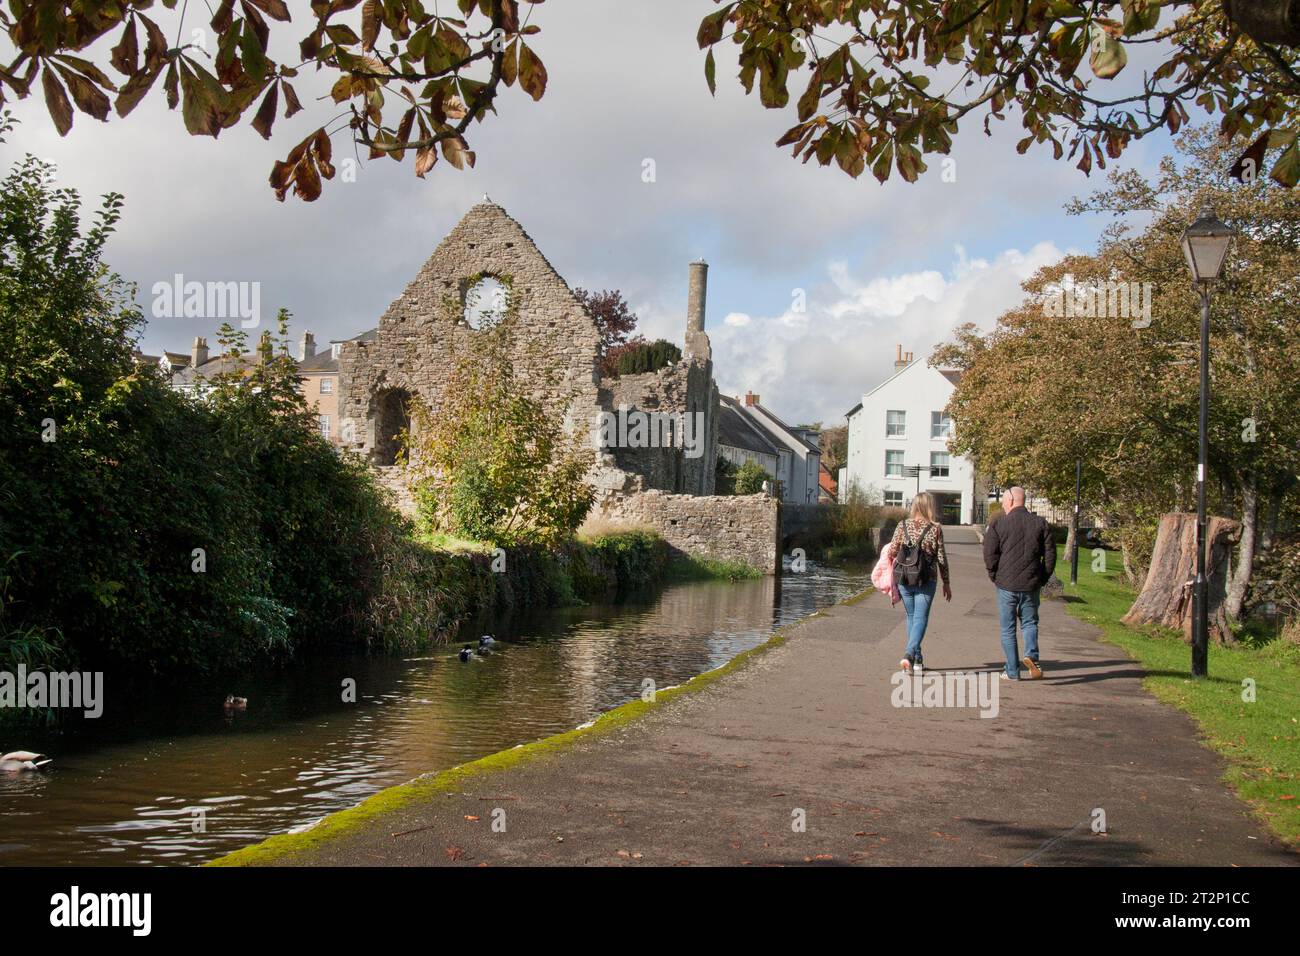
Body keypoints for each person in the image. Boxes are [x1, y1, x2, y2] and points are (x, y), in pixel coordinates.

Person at [982, 486, 1055, 680]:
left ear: (1012, 501)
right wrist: (1043, 577)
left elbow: (989, 554)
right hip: (1031, 583)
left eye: (1005, 501)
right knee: (1030, 622)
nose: (1004, 505)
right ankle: (1032, 655)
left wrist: (994, 575)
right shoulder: (1040, 523)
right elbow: (1050, 555)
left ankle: (1012, 671)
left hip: (1006, 583)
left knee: (1008, 629)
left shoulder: (999, 524)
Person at [890, 491, 951, 674]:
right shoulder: (935, 528)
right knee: (920, 618)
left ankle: (917, 659)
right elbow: (941, 557)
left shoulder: (902, 525)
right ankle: (909, 654)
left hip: (904, 577)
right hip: (926, 578)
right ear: (930, 507)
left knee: (912, 617)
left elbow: (893, 550)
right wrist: (946, 582)